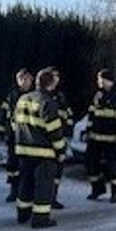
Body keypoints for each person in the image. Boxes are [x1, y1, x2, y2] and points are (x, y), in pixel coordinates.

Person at [13, 68, 68, 228]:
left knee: (26, 182)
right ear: (51, 83)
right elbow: (54, 131)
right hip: (43, 153)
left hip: (23, 150)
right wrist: (61, 151)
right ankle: (40, 218)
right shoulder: (47, 102)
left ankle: (23, 214)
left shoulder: (23, 98)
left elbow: (15, 123)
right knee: (44, 185)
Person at [84, 68, 116, 203]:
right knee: (91, 164)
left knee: (115, 167)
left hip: (113, 138)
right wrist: (88, 131)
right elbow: (91, 114)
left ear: (108, 80)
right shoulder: (98, 95)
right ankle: (97, 189)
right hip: (95, 137)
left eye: (100, 79)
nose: (98, 82)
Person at [0, 68, 34, 203]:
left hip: (29, 136)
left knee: (27, 164)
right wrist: (0, 129)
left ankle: (27, 190)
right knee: (13, 163)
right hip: (14, 135)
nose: (24, 81)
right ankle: (14, 190)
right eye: (21, 79)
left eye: (27, 79)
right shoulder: (12, 95)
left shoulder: (34, 96)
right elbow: (4, 112)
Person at [45, 66, 72, 210]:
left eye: (57, 76)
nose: (56, 79)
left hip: (60, 137)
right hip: (46, 140)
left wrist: (66, 133)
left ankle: (53, 198)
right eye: (53, 76)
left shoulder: (60, 96)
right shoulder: (43, 96)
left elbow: (67, 115)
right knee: (45, 172)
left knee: (57, 171)